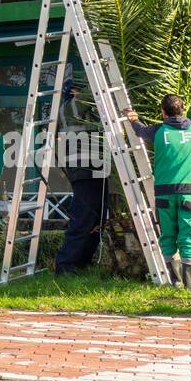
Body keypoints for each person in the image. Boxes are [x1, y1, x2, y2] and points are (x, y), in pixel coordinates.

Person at [126, 94, 191, 291]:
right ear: (184, 109)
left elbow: (139, 131)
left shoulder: (157, 131)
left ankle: (176, 282)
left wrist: (132, 118)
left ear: (163, 112)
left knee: (168, 236)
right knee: (190, 235)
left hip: (164, 193)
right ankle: (190, 287)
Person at [55, 68, 109, 275]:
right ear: (74, 92)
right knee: (84, 217)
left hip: (93, 166)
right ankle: (66, 265)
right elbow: (93, 95)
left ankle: (81, 263)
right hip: (85, 167)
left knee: (97, 218)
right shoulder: (71, 107)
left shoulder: (84, 111)